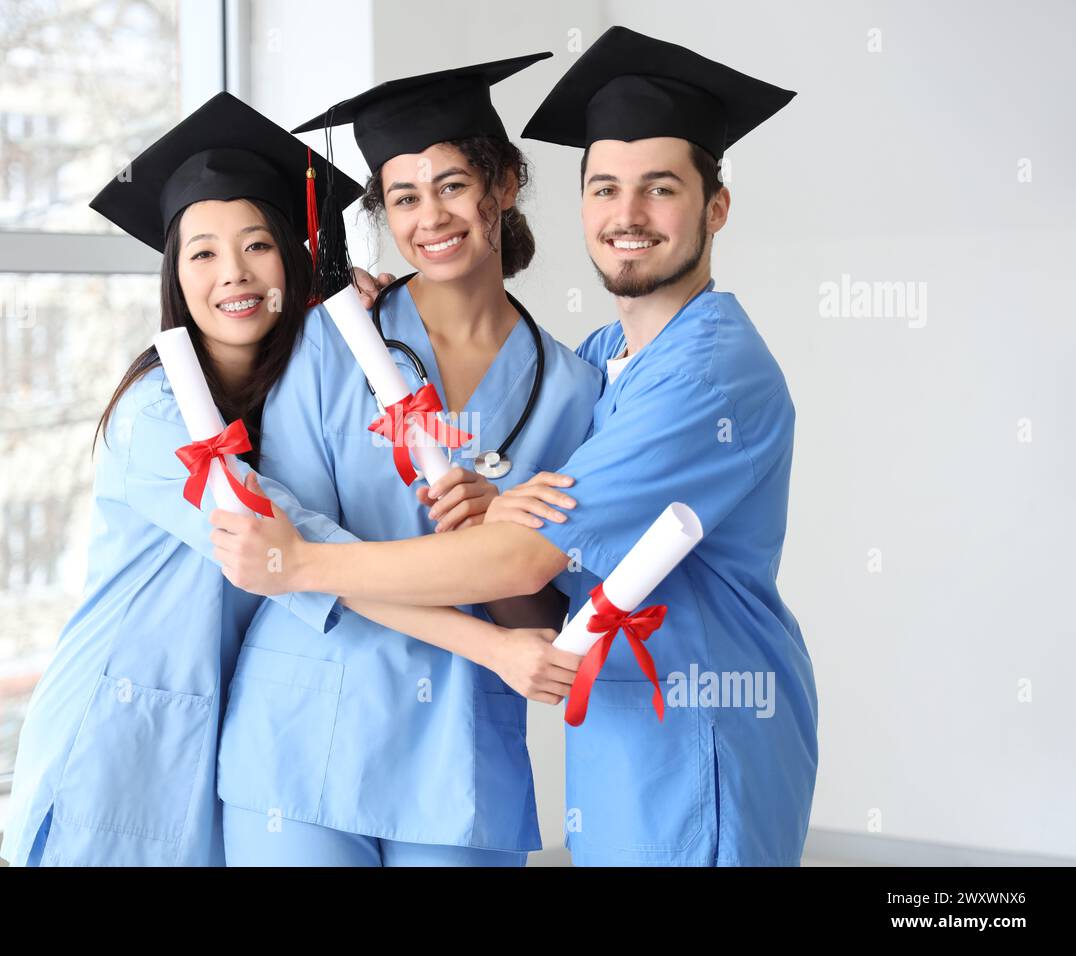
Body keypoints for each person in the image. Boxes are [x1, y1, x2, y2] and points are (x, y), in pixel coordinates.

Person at [212, 28, 820, 867]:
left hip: (652, 733)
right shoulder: (605, 359)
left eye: (661, 189)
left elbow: (529, 573)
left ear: (502, 186)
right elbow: (287, 524)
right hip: (316, 727)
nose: (628, 214)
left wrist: (308, 562)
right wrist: (494, 519)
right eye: (606, 187)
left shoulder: (600, 383)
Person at [0, 92, 559, 866]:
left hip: (214, 714)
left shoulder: (291, 376)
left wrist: (349, 310)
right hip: (122, 719)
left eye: (259, 246)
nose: (234, 274)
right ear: (174, 273)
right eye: (202, 253)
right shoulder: (161, 416)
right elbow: (297, 557)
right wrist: (487, 645)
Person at [213, 53, 604, 866]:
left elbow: (544, 617)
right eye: (403, 196)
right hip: (305, 728)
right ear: (383, 214)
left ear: (502, 184)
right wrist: (463, 564)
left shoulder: (572, 389)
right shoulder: (330, 344)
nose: (431, 216)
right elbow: (291, 553)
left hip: (457, 751)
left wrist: (500, 546)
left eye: (454, 184)